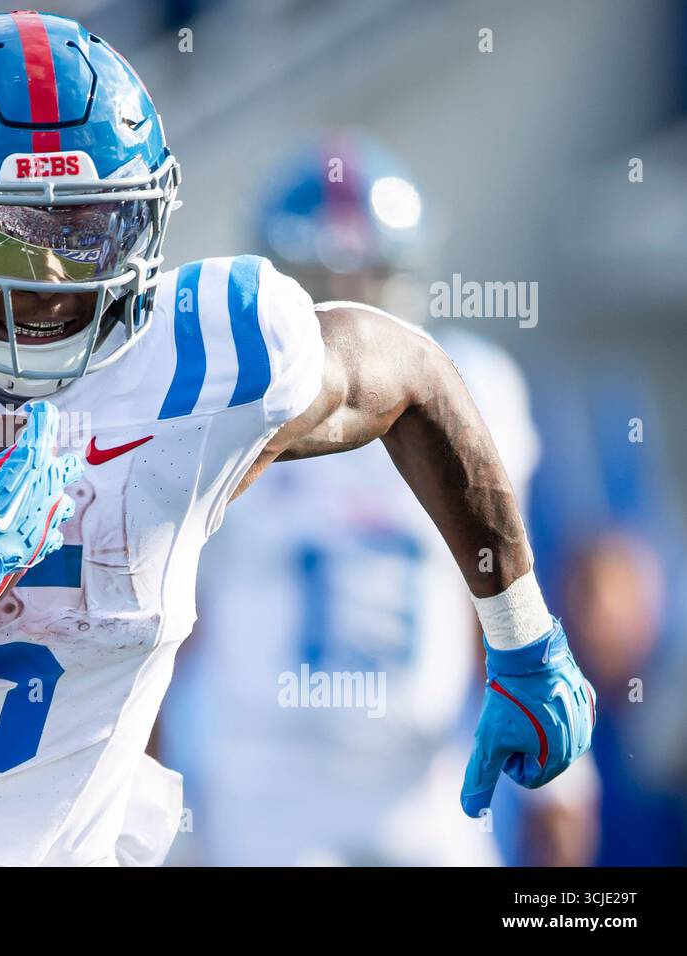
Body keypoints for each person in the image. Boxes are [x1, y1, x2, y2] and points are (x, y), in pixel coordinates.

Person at [0, 12, 594, 867]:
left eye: (86, 232)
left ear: (148, 220)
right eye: (3, 237)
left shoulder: (206, 355)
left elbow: (413, 373)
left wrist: (523, 636)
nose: (47, 284)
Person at [162, 136, 595, 865]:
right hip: (267, 775)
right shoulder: (220, 402)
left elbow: (493, 576)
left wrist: (564, 784)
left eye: (372, 276)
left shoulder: (473, 388)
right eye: (325, 277)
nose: (353, 305)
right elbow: (168, 611)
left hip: (423, 770)